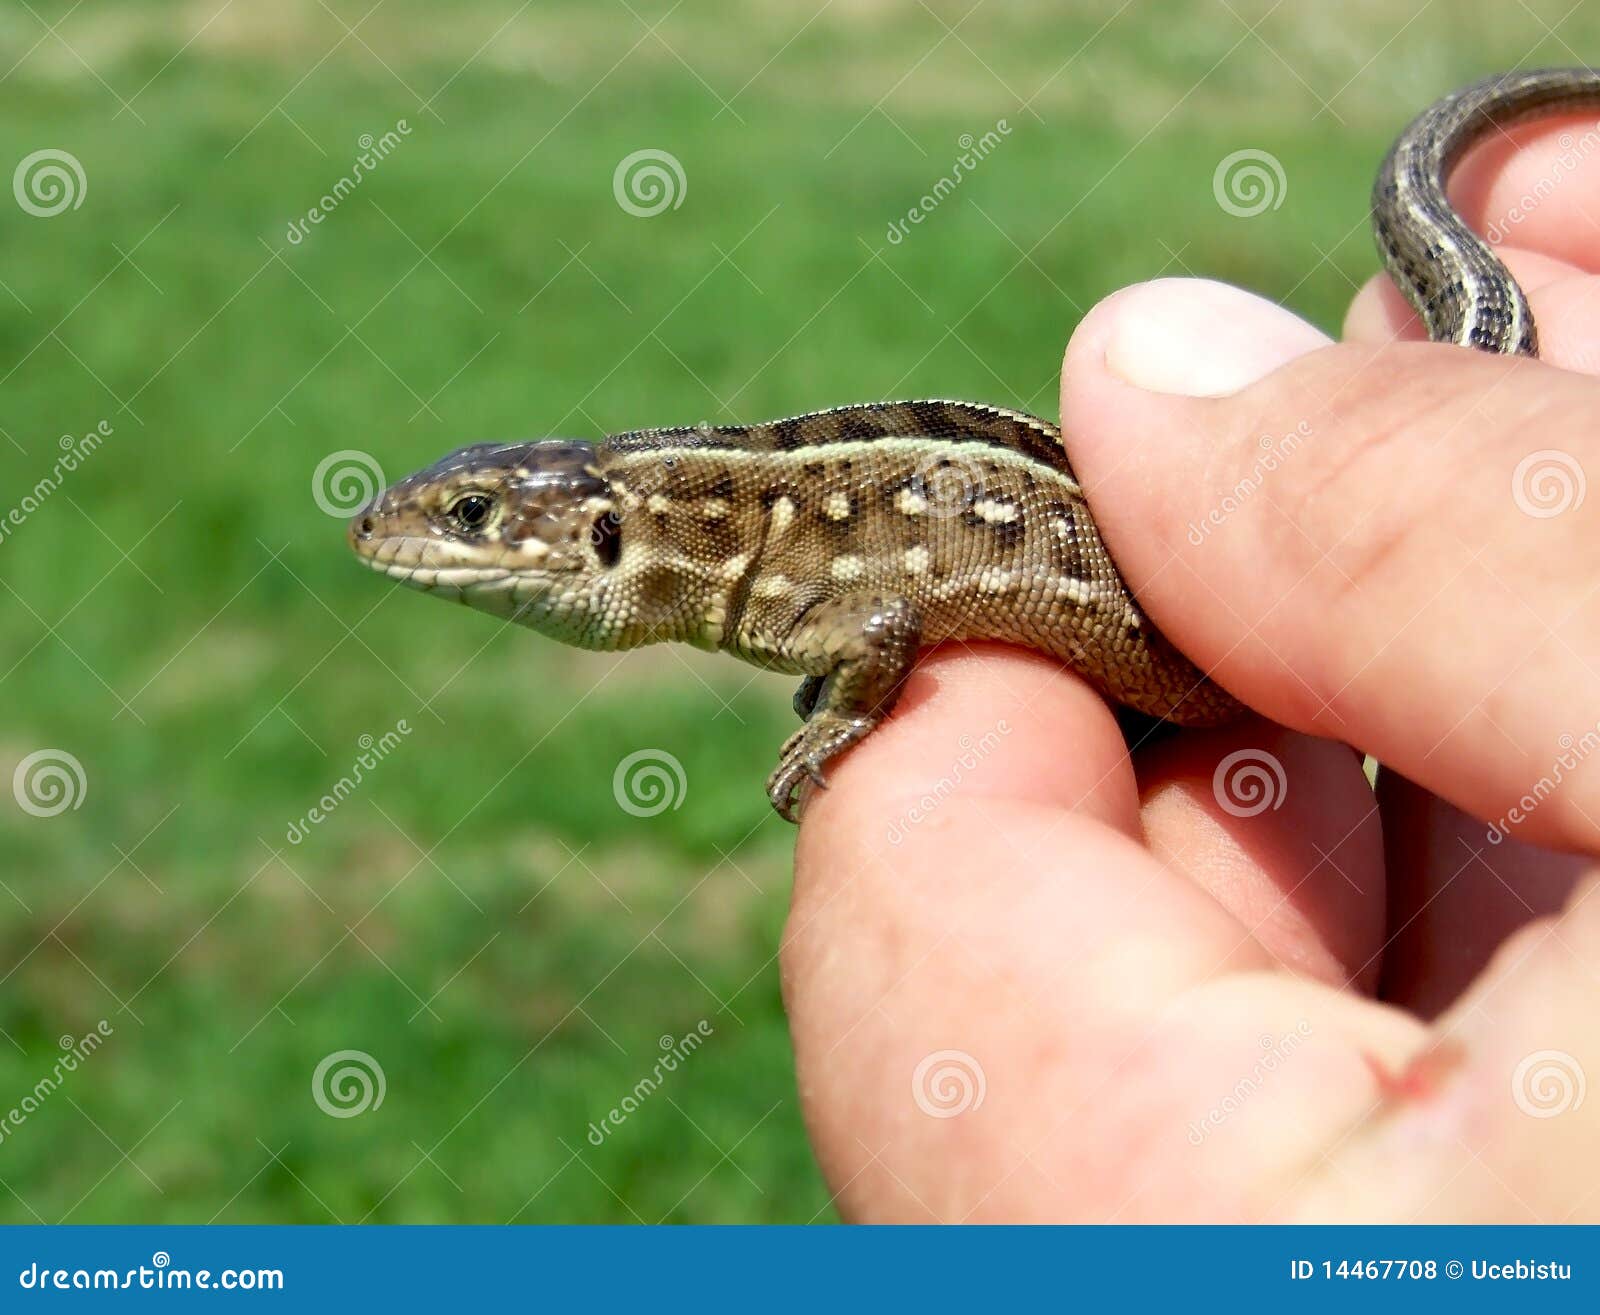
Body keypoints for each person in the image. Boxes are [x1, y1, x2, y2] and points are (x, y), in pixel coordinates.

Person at [785, 117, 1600, 1222]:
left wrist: (841, 719)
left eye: (518, 534)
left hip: (1211, 626)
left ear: (602, 536)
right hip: (1211, 675)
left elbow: (882, 625)